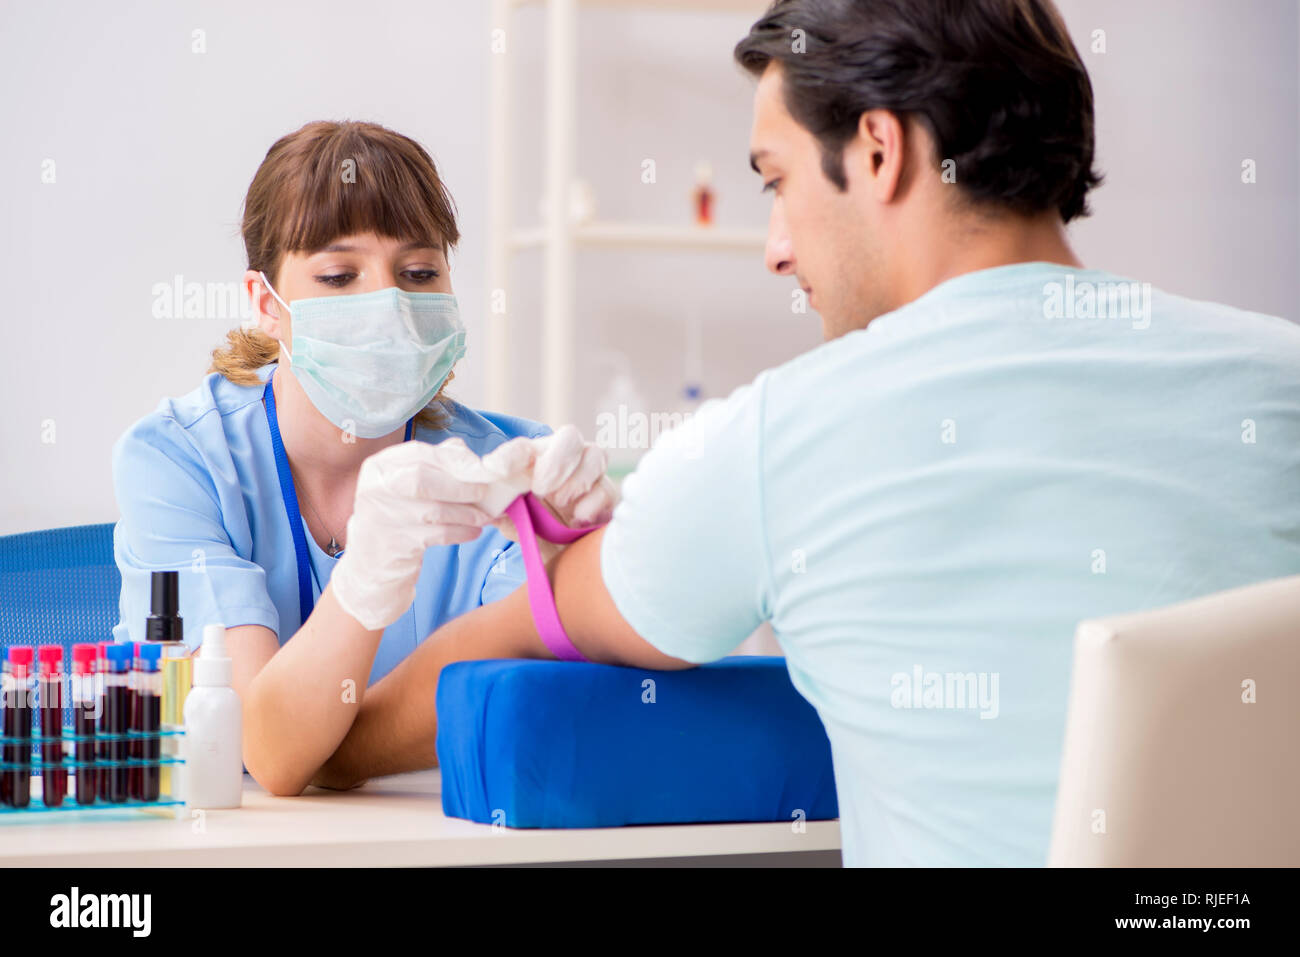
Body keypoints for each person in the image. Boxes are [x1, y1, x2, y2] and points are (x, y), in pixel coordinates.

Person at [313, 0, 1300, 866]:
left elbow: (535, 622)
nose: (776, 248)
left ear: (879, 150)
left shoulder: (780, 435)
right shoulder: (1281, 374)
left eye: (776, 181)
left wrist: (337, 749)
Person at [110, 121, 614, 796]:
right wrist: (370, 575)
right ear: (267, 303)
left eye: (418, 272)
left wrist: (574, 571)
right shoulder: (178, 461)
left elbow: (549, 702)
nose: (389, 304)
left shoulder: (503, 472)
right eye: (340, 274)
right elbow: (266, 750)